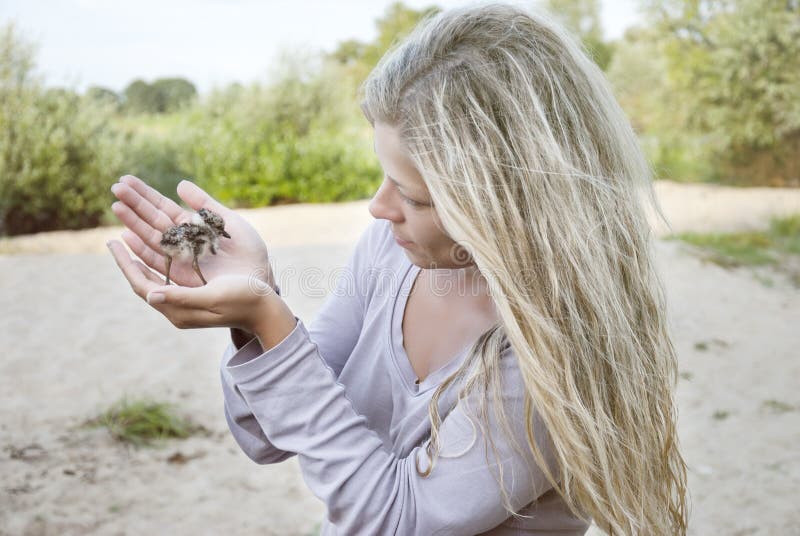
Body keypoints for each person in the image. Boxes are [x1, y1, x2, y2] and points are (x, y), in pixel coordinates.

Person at [107, 3, 689, 534]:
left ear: (508, 206)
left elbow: (398, 518)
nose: (379, 208)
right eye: (384, 176)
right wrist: (255, 310)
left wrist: (271, 318)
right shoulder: (388, 252)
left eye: (414, 196)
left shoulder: (556, 345)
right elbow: (263, 436)